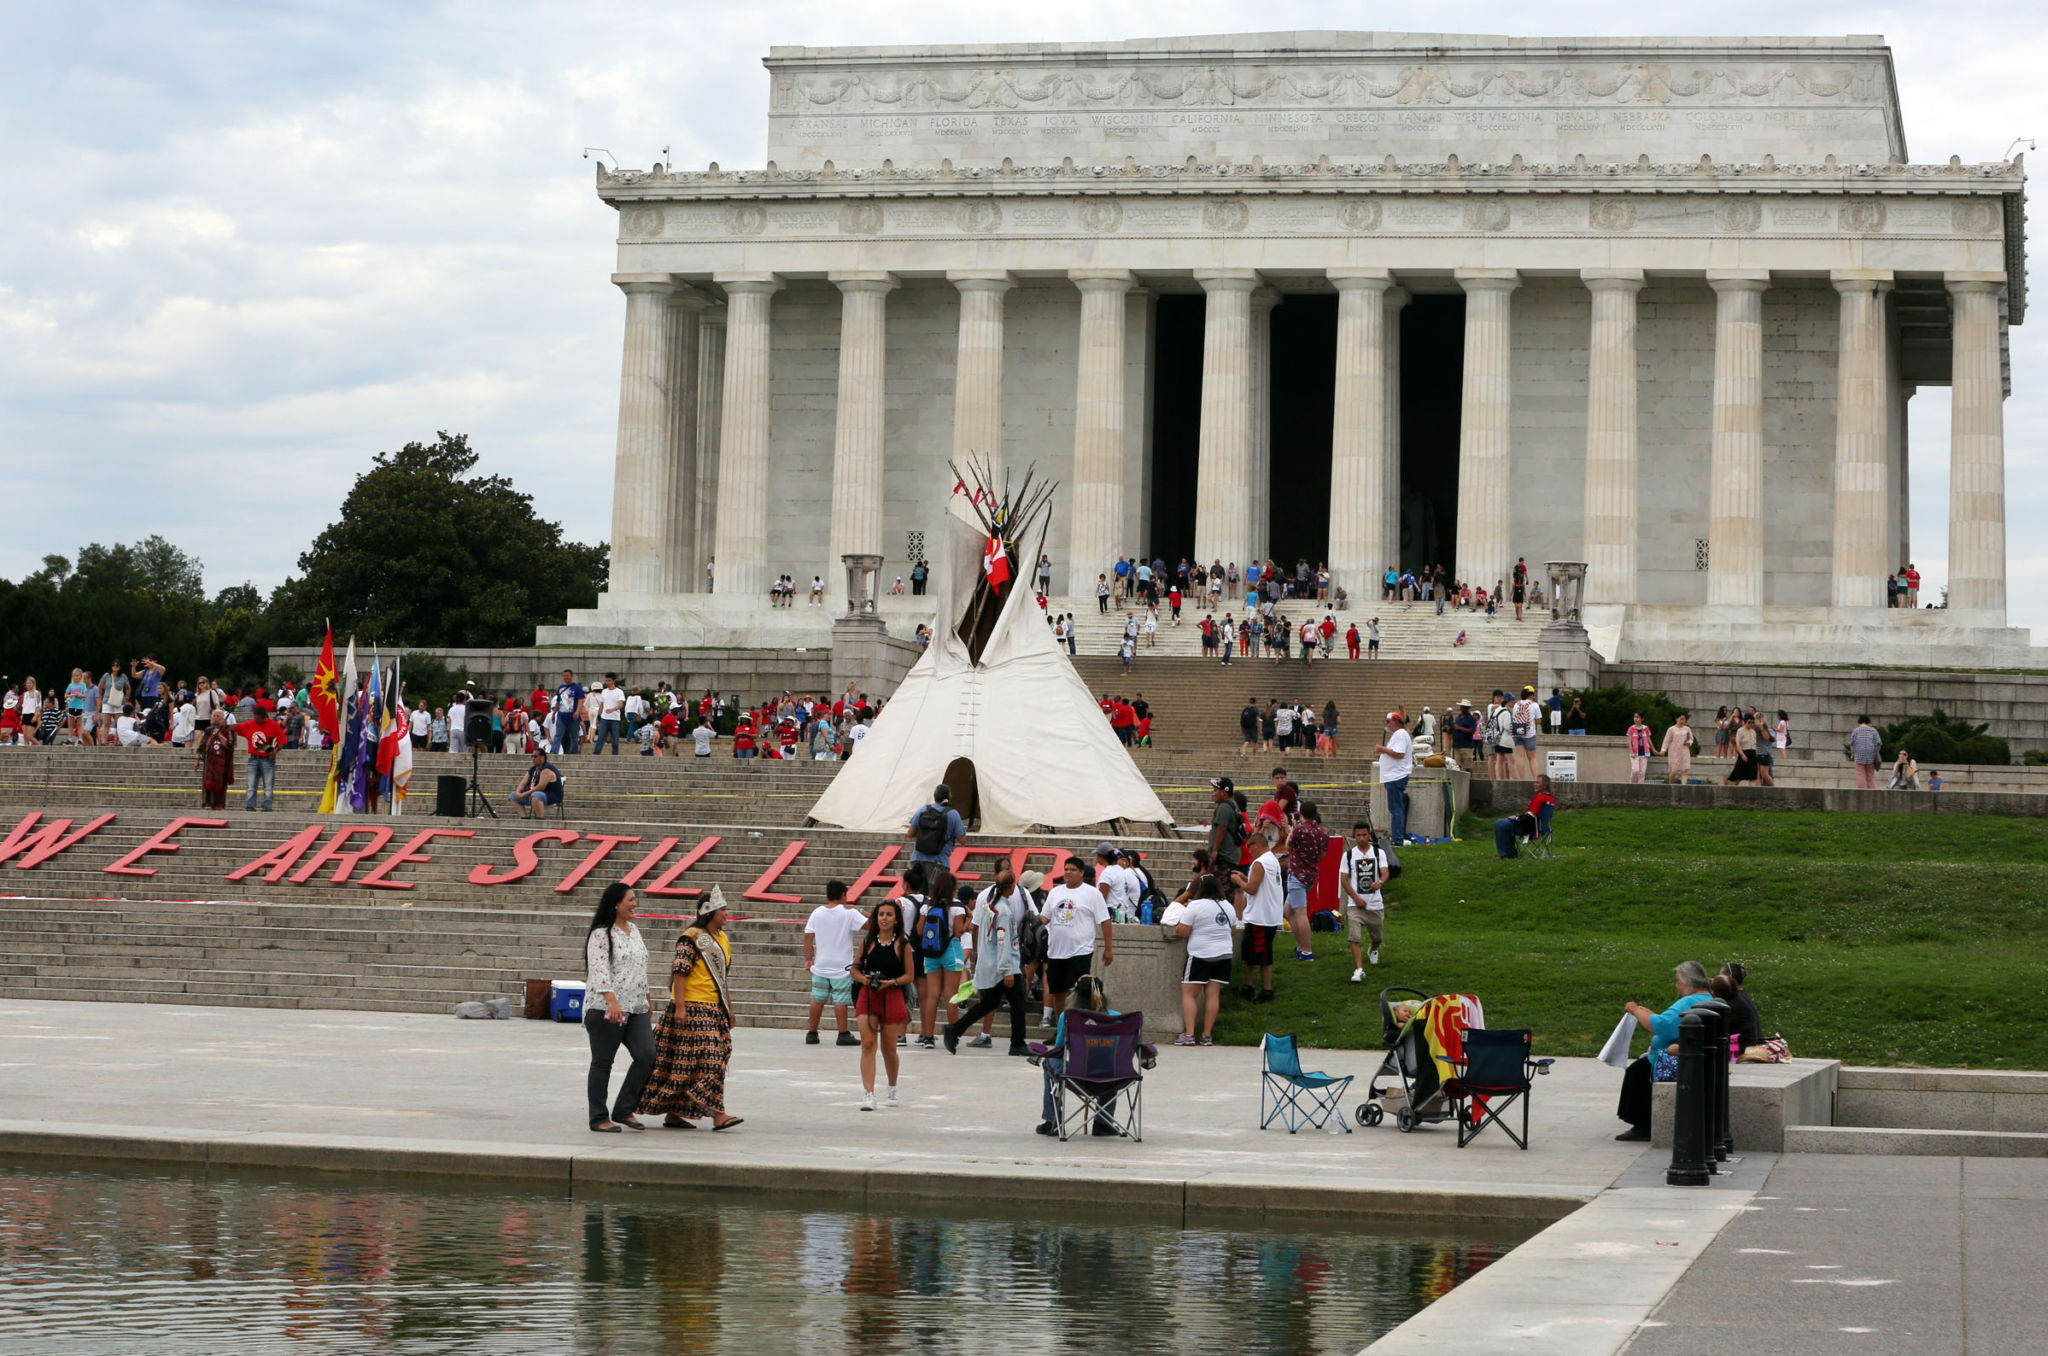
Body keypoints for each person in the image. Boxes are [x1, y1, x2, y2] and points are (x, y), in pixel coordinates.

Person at [639, 893, 742, 1132]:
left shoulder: (723, 939)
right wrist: (681, 1007)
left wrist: (729, 1008)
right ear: (709, 912)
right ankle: (718, 1114)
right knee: (711, 1060)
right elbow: (679, 972)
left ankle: (674, 1114)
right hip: (692, 1007)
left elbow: (723, 979)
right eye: (722, 910)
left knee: (692, 1061)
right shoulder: (691, 937)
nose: (726, 914)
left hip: (714, 1008)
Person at [1614, 960, 1716, 1140]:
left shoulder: (1689, 1001)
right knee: (1639, 1068)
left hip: (1675, 1059)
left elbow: (1663, 1026)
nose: (1676, 986)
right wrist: (1648, 1013)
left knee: (1637, 1072)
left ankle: (1643, 1125)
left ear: (1687, 982)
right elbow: (1668, 1022)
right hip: (1692, 1056)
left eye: (1678, 981)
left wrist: (1635, 1011)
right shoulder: (1708, 998)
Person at [582, 883, 656, 1133]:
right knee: (603, 1062)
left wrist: (646, 996)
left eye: (635, 900)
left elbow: (640, 964)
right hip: (607, 1008)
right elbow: (599, 969)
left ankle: (624, 1108)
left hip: (635, 1007)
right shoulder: (601, 935)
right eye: (631, 900)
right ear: (616, 903)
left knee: (647, 1055)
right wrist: (612, 1001)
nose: (635, 904)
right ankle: (598, 1117)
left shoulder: (634, 930)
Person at [944, 867, 1030, 1056]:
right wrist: (1007, 969)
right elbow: (1003, 941)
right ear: (1012, 886)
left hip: (992, 963)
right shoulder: (1004, 911)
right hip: (1005, 965)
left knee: (989, 1003)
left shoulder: (990, 906)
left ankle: (955, 1030)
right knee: (1017, 1002)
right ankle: (1017, 1043)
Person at [1035, 973, 1121, 1137]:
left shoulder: (1067, 1017)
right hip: (1113, 1077)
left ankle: (1052, 1121)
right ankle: (1103, 1122)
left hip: (1077, 1075)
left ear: (1076, 996)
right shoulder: (1117, 1018)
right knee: (1111, 1065)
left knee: (1049, 1061)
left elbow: (1059, 1049)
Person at [850, 898, 914, 1110]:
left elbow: (909, 975)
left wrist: (892, 982)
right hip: (868, 995)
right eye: (881, 914)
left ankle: (892, 1087)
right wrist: (863, 979)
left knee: (889, 1049)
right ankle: (868, 1094)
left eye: (889, 915)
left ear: (896, 920)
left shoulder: (902, 945)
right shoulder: (867, 942)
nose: (884, 918)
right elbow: (855, 968)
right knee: (868, 1044)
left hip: (892, 995)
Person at [1038, 856, 1113, 1018]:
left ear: (1081, 873)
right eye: (1066, 869)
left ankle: (1076, 1029)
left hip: (1080, 952)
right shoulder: (1055, 892)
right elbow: (1045, 917)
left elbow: (1105, 921)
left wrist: (1108, 949)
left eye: (1072, 870)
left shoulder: (1092, 894)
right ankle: (1061, 1029)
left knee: (1078, 993)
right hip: (1055, 952)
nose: (1068, 872)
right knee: (1057, 992)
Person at [1174, 874, 1238, 1045]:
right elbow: (1232, 930)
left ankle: (1189, 1034)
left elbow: (1182, 931)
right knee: (1212, 994)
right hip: (1224, 954)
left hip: (1200, 954)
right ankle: (1207, 1035)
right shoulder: (1228, 906)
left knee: (1188, 993)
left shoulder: (1195, 906)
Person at [803, 880, 864, 1047]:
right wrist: (859, 910)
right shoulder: (848, 913)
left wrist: (809, 959)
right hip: (841, 966)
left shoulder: (817, 912)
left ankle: (812, 1032)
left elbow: (808, 936)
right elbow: (871, 925)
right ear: (844, 895)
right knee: (840, 1000)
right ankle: (843, 1033)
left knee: (817, 999)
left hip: (821, 965)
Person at [912, 868, 968, 1049]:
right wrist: (970, 920)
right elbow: (958, 932)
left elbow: (919, 931)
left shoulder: (927, 905)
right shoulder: (957, 906)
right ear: (953, 888)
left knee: (932, 995)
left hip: (931, 953)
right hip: (951, 950)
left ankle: (927, 1036)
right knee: (951, 994)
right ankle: (952, 1036)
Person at [1232, 823, 1285, 1004]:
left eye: (1250, 850)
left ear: (1257, 846)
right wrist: (1246, 878)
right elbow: (1261, 883)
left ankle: (1266, 990)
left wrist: (1238, 881)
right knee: (1252, 953)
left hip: (1260, 917)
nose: (1250, 854)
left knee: (1261, 955)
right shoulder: (1272, 860)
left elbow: (1252, 889)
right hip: (1269, 916)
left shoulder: (1260, 862)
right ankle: (1248, 986)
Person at [1339, 820, 1390, 979]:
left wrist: (1380, 882)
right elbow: (1344, 880)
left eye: (1364, 835)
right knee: (1354, 937)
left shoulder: (1378, 853)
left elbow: (1385, 872)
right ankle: (1359, 970)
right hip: (1355, 905)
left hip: (1374, 903)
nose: (1361, 838)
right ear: (1354, 836)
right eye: (1358, 835)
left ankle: (1373, 949)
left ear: (1369, 835)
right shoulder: (1348, 856)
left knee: (1378, 937)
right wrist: (1356, 898)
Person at [1283, 801, 1329, 962]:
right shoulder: (1323, 831)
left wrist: (1292, 829)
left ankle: (1307, 951)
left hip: (1297, 875)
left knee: (1300, 913)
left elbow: (1287, 846)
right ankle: (1301, 945)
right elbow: (1322, 855)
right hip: (1311, 875)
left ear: (1301, 813)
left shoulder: (1300, 830)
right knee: (1288, 910)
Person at [1494, 774, 1559, 859]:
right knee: (1507, 824)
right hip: (1542, 828)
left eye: (1537, 782)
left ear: (1544, 786)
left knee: (1500, 824)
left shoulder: (1539, 798)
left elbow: (1529, 818)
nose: (1534, 784)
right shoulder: (1551, 799)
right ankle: (1510, 852)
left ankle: (1505, 854)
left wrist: (1516, 818)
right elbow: (1534, 815)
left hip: (1530, 829)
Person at [1374, 709, 1414, 846]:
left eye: (1388, 721)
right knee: (1396, 807)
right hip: (1393, 776)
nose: (1386, 724)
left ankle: (1397, 838)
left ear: (1395, 721)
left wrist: (1381, 749)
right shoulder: (1399, 734)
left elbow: (1399, 753)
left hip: (1396, 776)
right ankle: (1397, 836)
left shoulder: (1400, 734)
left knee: (1395, 808)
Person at [237, 704, 286, 811]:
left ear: (265, 717)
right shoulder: (250, 724)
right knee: (251, 785)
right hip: (253, 758)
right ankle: (250, 806)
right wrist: (225, 725)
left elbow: (282, 741)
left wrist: (276, 750)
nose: (256, 720)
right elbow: (237, 727)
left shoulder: (274, 725)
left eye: (258, 719)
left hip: (268, 759)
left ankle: (267, 807)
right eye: (255, 718)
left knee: (268, 785)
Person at [907, 783, 965, 868]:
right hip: (939, 862)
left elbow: (910, 834)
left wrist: (925, 834)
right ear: (949, 797)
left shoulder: (923, 810)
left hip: (917, 861)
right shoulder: (953, 814)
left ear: (934, 797)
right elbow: (962, 840)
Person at [1719, 962, 1763, 1054]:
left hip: (1742, 1051)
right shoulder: (1743, 996)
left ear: (1729, 977)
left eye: (1720, 976)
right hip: (1752, 1047)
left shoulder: (1734, 1001)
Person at [195, 710, 236, 810]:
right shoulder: (208, 730)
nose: (215, 718)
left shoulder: (227, 730)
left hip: (222, 763)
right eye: (214, 716)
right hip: (209, 762)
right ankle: (208, 803)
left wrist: (219, 735)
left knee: (220, 785)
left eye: (218, 716)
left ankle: (219, 805)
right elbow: (202, 745)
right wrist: (196, 760)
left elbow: (230, 745)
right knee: (208, 784)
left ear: (222, 719)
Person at [1206, 776, 1247, 872]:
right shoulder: (1233, 804)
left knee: (1220, 885)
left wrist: (1215, 850)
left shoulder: (1224, 807)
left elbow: (1222, 828)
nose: (1213, 794)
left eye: (1216, 791)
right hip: (1231, 856)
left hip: (1223, 857)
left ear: (1224, 792)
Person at [510, 750, 563, 817]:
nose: (533, 758)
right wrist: (518, 793)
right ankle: (524, 818)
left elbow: (541, 787)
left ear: (542, 757)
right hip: (533, 793)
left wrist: (522, 795)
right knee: (512, 795)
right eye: (532, 756)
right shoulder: (533, 769)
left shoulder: (547, 768)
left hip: (551, 795)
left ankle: (539, 819)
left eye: (535, 756)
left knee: (536, 796)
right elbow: (523, 783)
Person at [553, 669, 585, 756]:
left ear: (571, 676)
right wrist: (553, 713)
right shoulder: (560, 688)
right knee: (558, 735)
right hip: (561, 715)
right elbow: (558, 701)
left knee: (574, 736)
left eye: (567, 676)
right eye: (564, 676)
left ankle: (574, 753)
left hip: (573, 716)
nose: (566, 677)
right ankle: (554, 751)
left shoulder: (577, 688)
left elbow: (580, 700)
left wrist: (577, 711)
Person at [1849, 714, 1883, 790]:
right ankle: (1872, 792)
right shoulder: (1873, 730)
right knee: (1870, 776)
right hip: (1871, 756)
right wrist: (1875, 753)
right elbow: (1878, 744)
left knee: (1861, 775)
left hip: (1859, 756)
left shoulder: (1856, 730)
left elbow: (1852, 744)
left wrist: (1852, 753)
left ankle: (1863, 792)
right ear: (1868, 721)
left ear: (1859, 721)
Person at [1660, 713, 1696, 785]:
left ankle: (1683, 787)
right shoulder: (1671, 729)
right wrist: (1663, 750)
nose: (1682, 721)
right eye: (1681, 719)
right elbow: (1666, 740)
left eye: (1684, 719)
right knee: (1674, 771)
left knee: (1685, 770)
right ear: (1677, 719)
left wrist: (1689, 742)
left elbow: (1690, 738)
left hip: (1684, 751)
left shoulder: (1687, 729)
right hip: (1674, 752)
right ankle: (1671, 784)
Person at [1626, 712, 1653, 785]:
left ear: (1642, 719)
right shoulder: (1631, 728)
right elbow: (1629, 742)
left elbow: (1649, 739)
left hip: (1644, 753)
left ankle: (1641, 788)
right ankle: (1631, 784)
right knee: (1635, 770)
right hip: (1635, 753)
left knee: (1642, 773)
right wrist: (1631, 752)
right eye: (1635, 717)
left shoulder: (1646, 728)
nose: (1636, 718)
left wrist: (1653, 750)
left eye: (1638, 717)